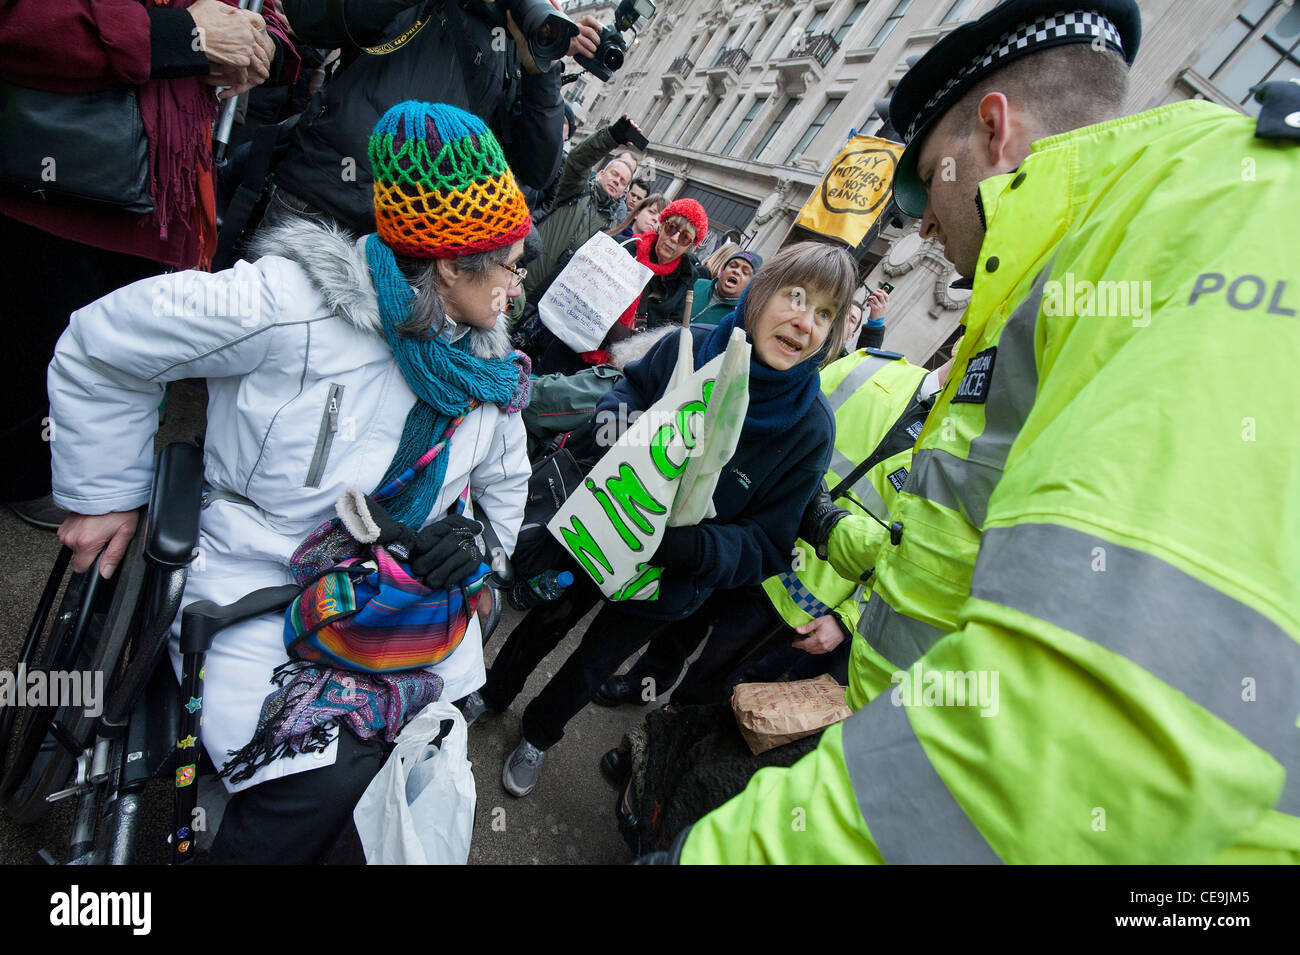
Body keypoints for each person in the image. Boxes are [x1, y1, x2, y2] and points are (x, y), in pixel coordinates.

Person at [664, 0, 1300, 864]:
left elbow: (1085, 736)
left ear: (992, 133)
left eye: (927, 183)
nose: (922, 221)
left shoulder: (1228, 221)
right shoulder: (1070, 275)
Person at [48, 102, 534, 864]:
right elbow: (103, 343)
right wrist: (106, 490)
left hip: (389, 605)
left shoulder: (488, 372)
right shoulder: (292, 306)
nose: (517, 284)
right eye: (509, 261)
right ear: (449, 261)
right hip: (257, 584)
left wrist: (476, 543)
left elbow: (506, 482)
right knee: (331, 785)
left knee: (413, 790)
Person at [467, 241, 859, 798]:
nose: (805, 321)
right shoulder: (688, 347)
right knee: (547, 620)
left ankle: (538, 734)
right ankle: (493, 691)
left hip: (669, 580)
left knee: (594, 662)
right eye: (796, 297)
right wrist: (625, 444)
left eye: (825, 314)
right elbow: (620, 398)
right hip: (603, 526)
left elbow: (768, 544)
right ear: (761, 293)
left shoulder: (811, 428)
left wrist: (686, 548)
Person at [0, 0, 298, 528]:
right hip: (52, 183)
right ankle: (35, 473)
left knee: (127, 350)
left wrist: (257, 44)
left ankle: (86, 475)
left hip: (170, 184)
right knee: (42, 346)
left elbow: (256, 15)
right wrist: (178, 36)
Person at [595, 345, 945, 711]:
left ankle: (660, 737)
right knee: (679, 626)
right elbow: (788, 416)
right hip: (750, 531)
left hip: (804, 584)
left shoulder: (959, 460)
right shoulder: (872, 365)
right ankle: (641, 685)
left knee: (718, 672)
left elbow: (912, 558)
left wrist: (849, 619)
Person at [269, 0, 602, 234]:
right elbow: (309, 16)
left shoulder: (510, 39)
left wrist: (541, 68)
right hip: (322, 203)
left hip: (411, 244)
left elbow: (538, 169)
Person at [538, 197, 709, 375]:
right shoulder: (623, 248)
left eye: (684, 237)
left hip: (616, 369)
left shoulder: (684, 283)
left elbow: (665, 336)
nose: (674, 238)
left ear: (690, 246)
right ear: (661, 224)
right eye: (671, 228)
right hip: (573, 341)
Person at [524, 116, 645, 301]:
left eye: (622, 182)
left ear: (623, 192)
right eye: (614, 174)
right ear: (602, 174)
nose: (616, 181)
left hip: (551, 302)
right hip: (522, 278)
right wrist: (611, 136)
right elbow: (578, 160)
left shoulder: (614, 226)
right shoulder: (576, 189)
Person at [691, 250, 762, 328]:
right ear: (722, 270)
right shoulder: (697, 284)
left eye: (745, 272)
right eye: (733, 266)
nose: (736, 271)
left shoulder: (739, 318)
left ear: (751, 285)